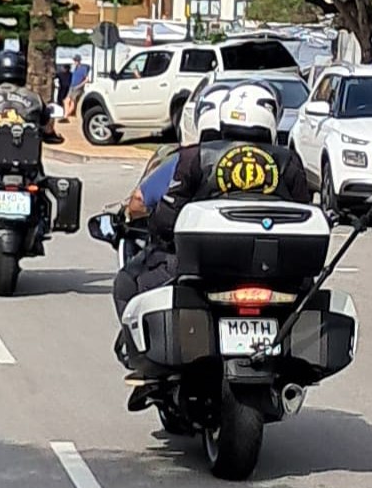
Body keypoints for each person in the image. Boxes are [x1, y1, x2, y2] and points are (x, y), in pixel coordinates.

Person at [111, 81, 313, 320]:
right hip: (276, 270)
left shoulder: (195, 157)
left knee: (126, 284)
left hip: (198, 268)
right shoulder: (288, 161)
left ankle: (138, 350)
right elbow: (306, 216)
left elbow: (166, 218)